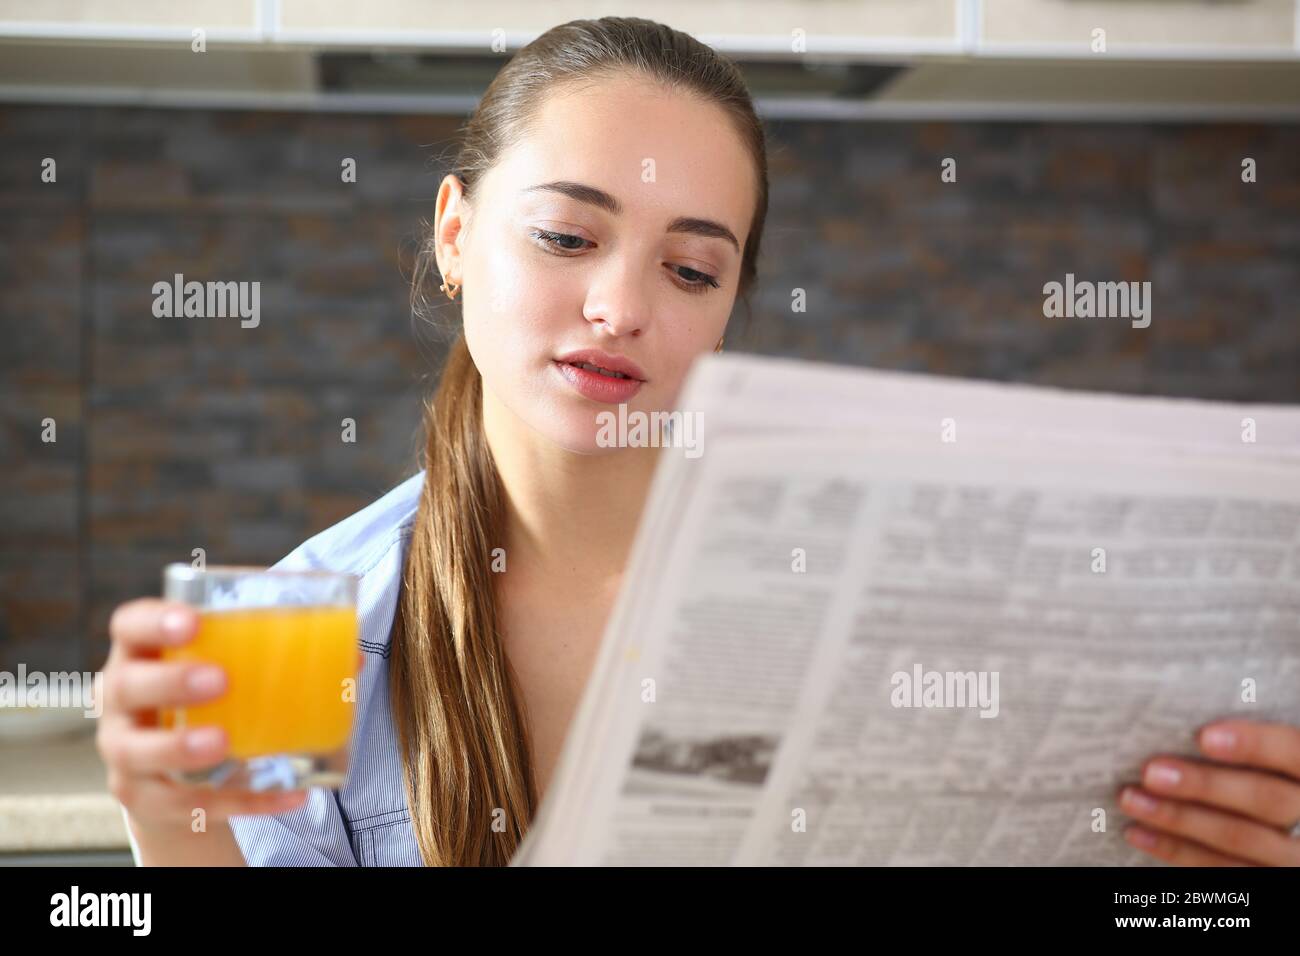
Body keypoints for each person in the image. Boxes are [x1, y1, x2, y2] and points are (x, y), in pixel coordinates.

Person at [95, 16, 1300, 867]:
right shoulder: (289, 626)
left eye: (688, 265)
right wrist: (178, 831)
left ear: (729, 303)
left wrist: (1197, 882)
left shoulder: (890, 596)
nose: (623, 305)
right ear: (455, 234)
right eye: (568, 237)